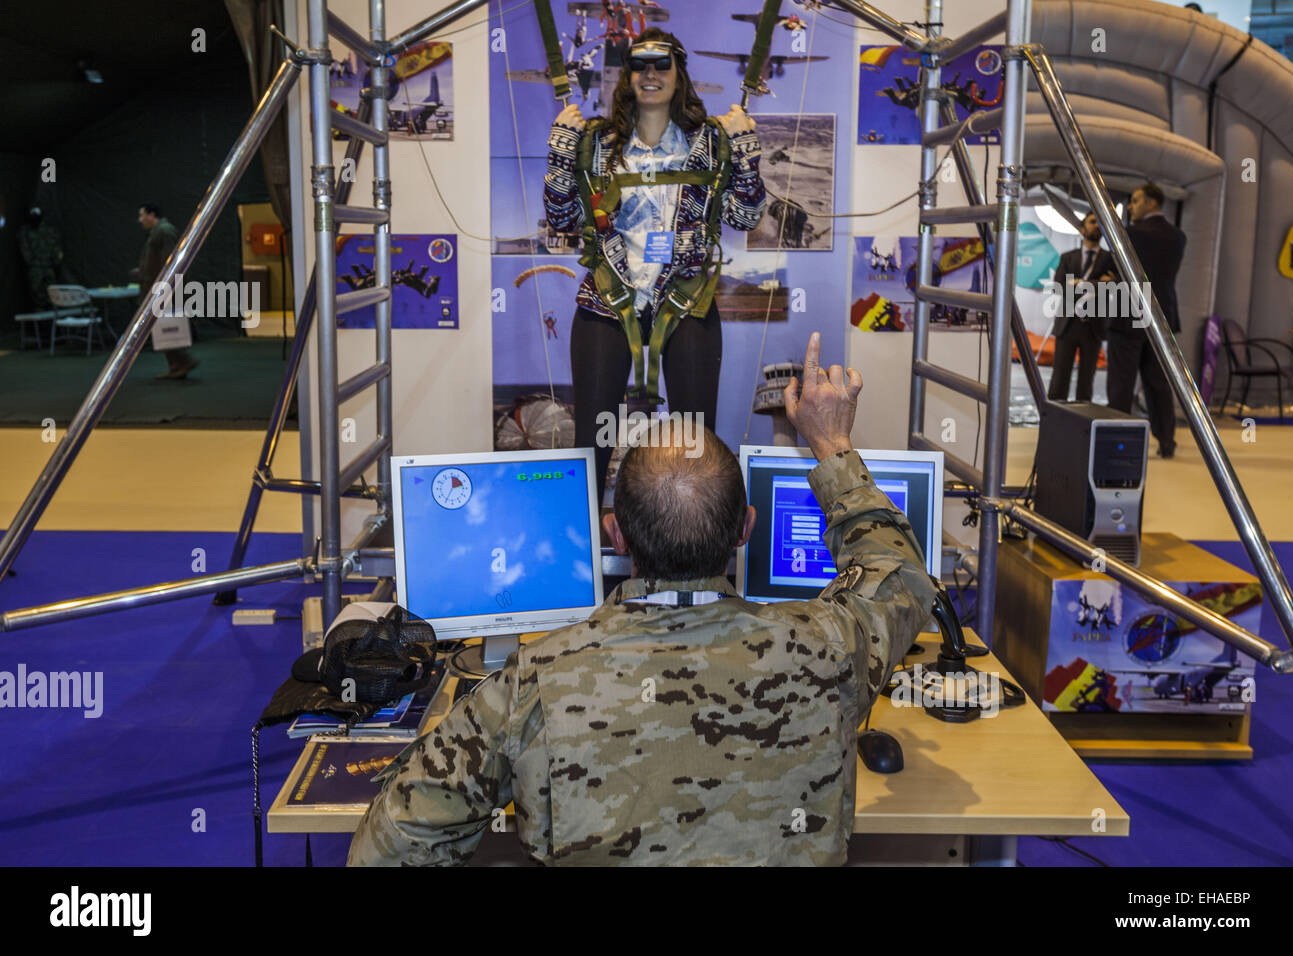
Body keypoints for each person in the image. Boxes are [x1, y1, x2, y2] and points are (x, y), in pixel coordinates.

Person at [347, 331, 938, 866]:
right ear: (745, 528)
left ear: (614, 533)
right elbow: (901, 578)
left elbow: (389, 845)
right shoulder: (831, 651)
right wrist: (830, 443)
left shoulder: (536, 683)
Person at [544, 28, 766, 494]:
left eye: (660, 64)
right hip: (609, 299)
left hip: (685, 301)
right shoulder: (598, 143)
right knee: (594, 439)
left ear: (678, 72)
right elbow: (562, 215)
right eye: (638, 64)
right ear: (627, 75)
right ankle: (585, 546)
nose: (649, 74)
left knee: (694, 442)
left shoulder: (708, 142)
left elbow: (744, 216)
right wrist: (561, 154)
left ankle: (690, 549)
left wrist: (746, 154)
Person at [1104, 182, 1185, 457]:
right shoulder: (1178, 237)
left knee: (1121, 385)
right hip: (1161, 320)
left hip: (1128, 316)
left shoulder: (1132, 234)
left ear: (1151, 203)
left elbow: (1113, 270)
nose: (1131, 206)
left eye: (1136, 200)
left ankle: (1118, 443)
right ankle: (1166, 442)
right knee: (1158, 384)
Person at [1047, 211, 1113, 403]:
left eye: (1099, 223)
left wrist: (1078, 283)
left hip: (1093, 326)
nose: (1096, 226)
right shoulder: (1068, 257)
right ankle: (1055, 415)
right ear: (1083, 228)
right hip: (1067, 324)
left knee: (1087, 381)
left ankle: (1083, 421)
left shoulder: (1110, 259)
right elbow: (1059, 287)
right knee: (1059, 378)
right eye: (1092, 222)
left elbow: (1113, 288)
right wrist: (1096, 284)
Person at [132, 202, 197, 379]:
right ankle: (177, 366)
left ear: (152, 215)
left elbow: (170, 261)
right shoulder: (159, 232)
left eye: (142, 215)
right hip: (157, 286)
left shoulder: (164, 231)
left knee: (164, 326)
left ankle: (183, 361)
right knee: (160, 327)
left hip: (162, 289)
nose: (140, 220)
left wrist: (164, 286)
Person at [17, 207, 63, 310]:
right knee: (36, 296)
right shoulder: (25, 231)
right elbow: (24, 249)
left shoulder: (49, 230)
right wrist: (32, 262)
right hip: (35, 269)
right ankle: (39, 323)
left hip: (49, 267)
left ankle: (52, 321)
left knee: (52, 295)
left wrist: (56, 261)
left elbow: (56, 248)